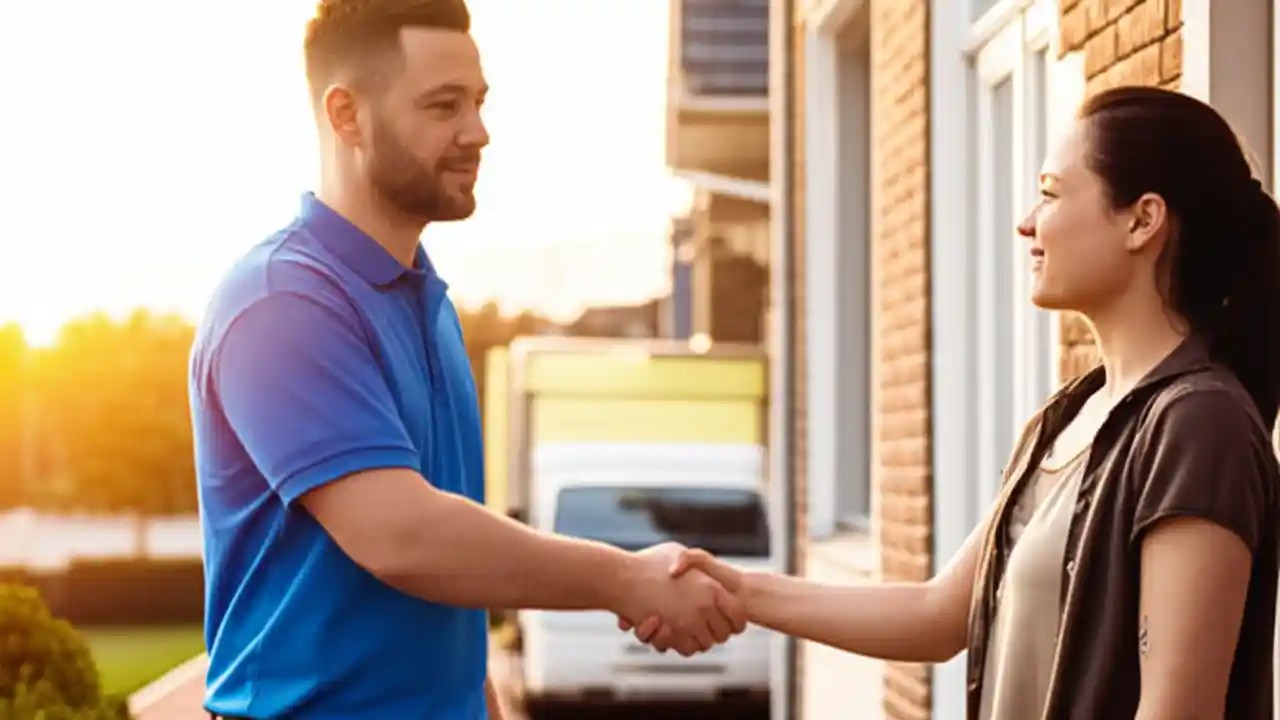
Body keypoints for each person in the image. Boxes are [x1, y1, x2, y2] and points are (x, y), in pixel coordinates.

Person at [626, 86, 1280, 719]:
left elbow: (1178, 710)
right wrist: (736, 590)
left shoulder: (1199, 424)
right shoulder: (1065, 420)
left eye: (1050, 194)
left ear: (1143, 220)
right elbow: (938, 615)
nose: (1027, 221)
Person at [187, 2, 743, 719]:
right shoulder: (279, 303)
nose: (477, 133)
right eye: (443, 105)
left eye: (478, 103)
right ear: (347, 114)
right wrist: (625, 579)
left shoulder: (430, 305)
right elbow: (403, 536)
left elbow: (453, 563)